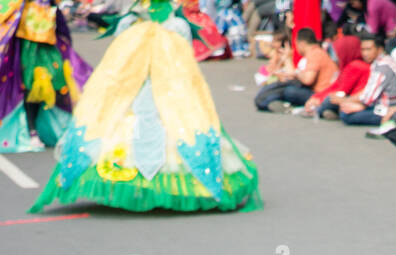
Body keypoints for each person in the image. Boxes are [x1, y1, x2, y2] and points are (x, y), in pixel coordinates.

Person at [29, 2, 260, 212]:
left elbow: (181, 63)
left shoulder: (171, 25)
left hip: (165, 91)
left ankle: (155, 189)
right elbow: (121, 62)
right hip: (138, 90)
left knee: (165, 130)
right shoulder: (138, 23)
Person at [0, 0, 92, 151]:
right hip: (27, 46)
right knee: (31, 86)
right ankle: (31, 131)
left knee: (59, 81)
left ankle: (60, 129)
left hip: (49, 44)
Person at [316, 26, 396, 124]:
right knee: (338, 102)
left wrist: (346, 101)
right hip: (378, 104)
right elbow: (368, 90)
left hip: (388, 109)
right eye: (363, 50)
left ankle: (318, 111)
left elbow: (368, 98)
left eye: (368, 49)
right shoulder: (380, 62)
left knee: (345, 114)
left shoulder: (382, 67)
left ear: (379, 49)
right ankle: (322, 111)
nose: (365, 53)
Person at [255, 24, 337, 109]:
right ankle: (265, 99)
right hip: (321, 91)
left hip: (320, 93)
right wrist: (287, 60)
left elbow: (308, 80)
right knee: (288, 84)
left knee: (290, 91)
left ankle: (266, 101)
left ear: (301, 43)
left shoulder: (315, 54)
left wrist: (296, 74)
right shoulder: (318, 53)